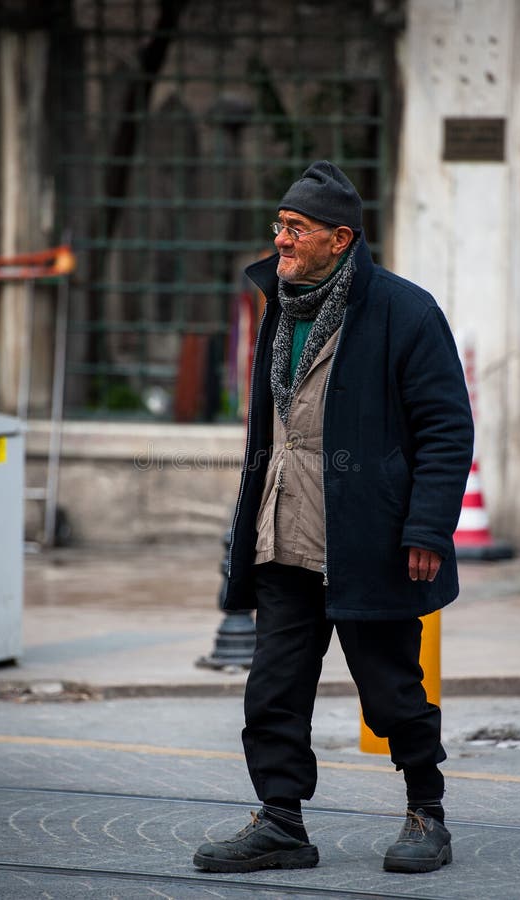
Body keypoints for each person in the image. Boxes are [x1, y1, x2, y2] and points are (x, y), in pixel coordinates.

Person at [193, 161, 474, 875]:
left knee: (391, 690)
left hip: (369, 539)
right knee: (273, 690)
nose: (279, 241)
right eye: (278, 227)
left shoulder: (405, 311)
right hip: (282, 532)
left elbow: (445, 427)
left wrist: (425, 528)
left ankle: (425, 813)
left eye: (295, 230)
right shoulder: (280, 306)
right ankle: (281, 823)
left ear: (339, 239)